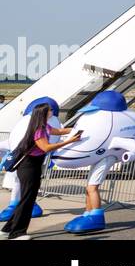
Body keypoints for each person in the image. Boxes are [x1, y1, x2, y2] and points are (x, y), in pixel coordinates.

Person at [1, 103, 82, 240]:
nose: (52, 111)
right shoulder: (39, 129)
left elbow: (60, 131)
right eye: (50, 110)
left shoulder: (45, 126)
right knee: (27, 200)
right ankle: (17, 233)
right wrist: (69, 142)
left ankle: (7, 230)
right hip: (29, 166)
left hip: (33, 165)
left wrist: (76, 129)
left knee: (26, 199)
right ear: (44, 113)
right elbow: (46, 148)